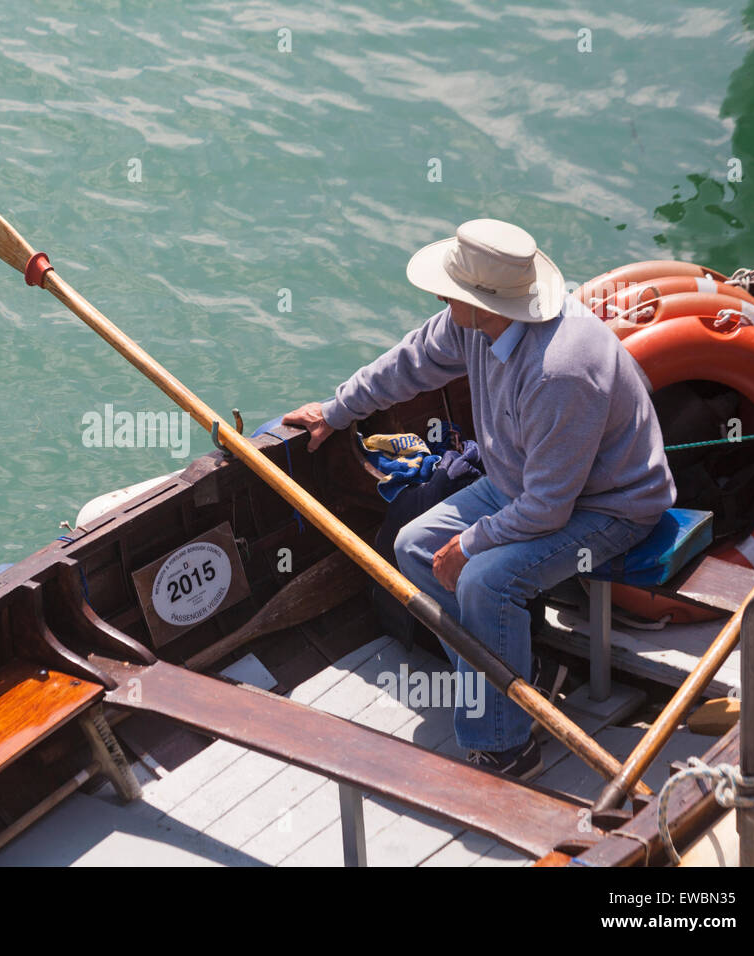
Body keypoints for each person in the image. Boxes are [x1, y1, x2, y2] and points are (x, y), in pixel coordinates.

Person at [283, 219, 676, 779]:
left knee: (485, 580)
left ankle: (505, 745)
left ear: (482, 301)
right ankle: (518, 680)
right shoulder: (473, 324)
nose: (442, 296)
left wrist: (470, 544)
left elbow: (549, 509)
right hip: (522, 481)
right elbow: (410, 361)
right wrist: (336, 409)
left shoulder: (559, 371)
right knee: (414, 545)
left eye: (451, 289)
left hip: (607, 505)